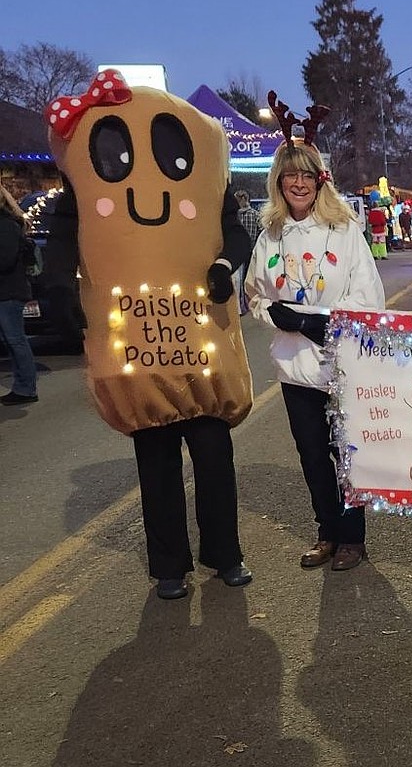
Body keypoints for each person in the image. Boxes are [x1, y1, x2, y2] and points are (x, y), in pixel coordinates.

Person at [42, 72, 254, 600]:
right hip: (136, 348)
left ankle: (225, 554)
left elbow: (234, 231)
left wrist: (224, 264)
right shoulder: (78, 187)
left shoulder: (210, 175)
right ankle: (169, 566)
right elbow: (65, 235)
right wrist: (58, 286)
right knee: (157, 466)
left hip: (200, 342)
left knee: (214, 459)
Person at [245, 100, 384, 572]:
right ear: (279, 182)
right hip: (294, 367)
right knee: (311, 455)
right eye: (290, 176)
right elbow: (256, 294)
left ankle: (352, 538)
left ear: (320, 179)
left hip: (340, 363)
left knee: (346, 453)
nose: (299, 183)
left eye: (307, 175)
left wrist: (321, 322)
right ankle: (327, 531)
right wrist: (279, 317)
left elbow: (368, 295)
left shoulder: (344, 230)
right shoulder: (271, 234)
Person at [0, 186, 38, 406]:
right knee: (12, 340)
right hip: (7, 291)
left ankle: (26, 388)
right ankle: (22, 386)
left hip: (9, 292)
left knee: (16, 340)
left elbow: (5, 259)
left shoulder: (6, 224)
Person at [234, 190, 262, 314]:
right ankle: (245, 302)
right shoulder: (254, 214)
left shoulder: (236, 216)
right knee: (246, 278)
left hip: (242, 251)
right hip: (248, 250)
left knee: (243, 279)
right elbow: (261, 231)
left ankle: (244, 302)